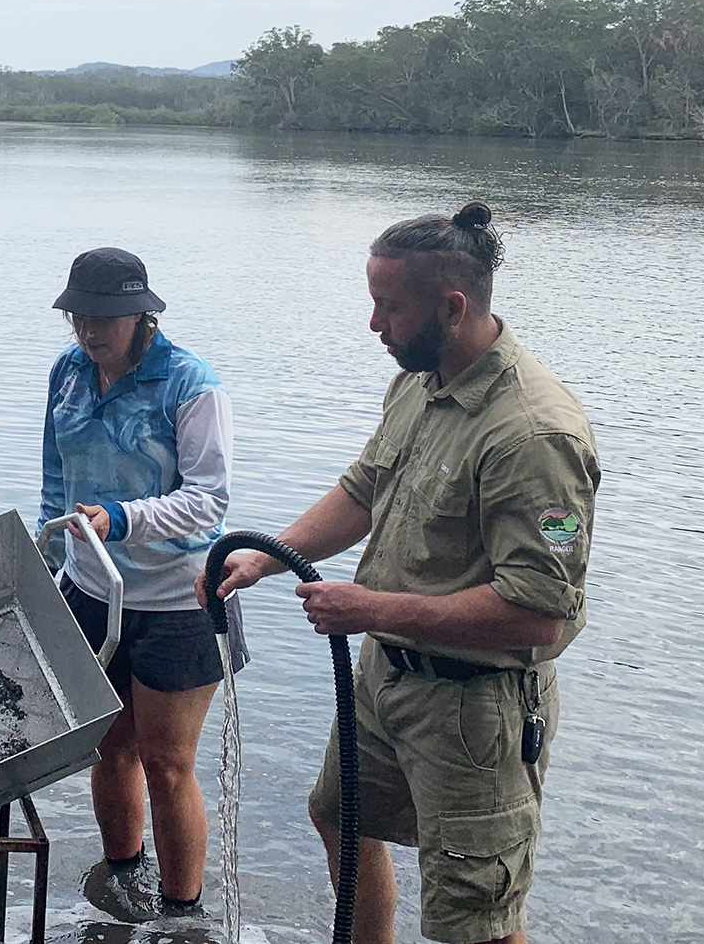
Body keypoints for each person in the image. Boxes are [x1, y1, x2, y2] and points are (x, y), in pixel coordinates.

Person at [204, 203, 599, 944]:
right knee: (339, 816)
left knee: (473, 916)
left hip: (474, 707)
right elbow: (363, 488)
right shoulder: (421, 380)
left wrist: (371, 607)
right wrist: (265, 555)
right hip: (388, 680)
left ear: (452, 307)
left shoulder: (534, 432)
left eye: (390, 307)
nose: (375, 324)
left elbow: (539, 612)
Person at [38, 247, 233, 913]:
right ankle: (122, 875)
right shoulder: (68, 373)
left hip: (178, 598)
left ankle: (183, 912)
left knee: (167, 760)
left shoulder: (189, 382)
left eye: (105, 318)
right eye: (80, 318)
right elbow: (54, 483)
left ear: (141, 316)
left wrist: (123, 518)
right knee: (107, 744)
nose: (90, 333)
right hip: (91, 590)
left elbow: (210, 500)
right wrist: (44, 562)